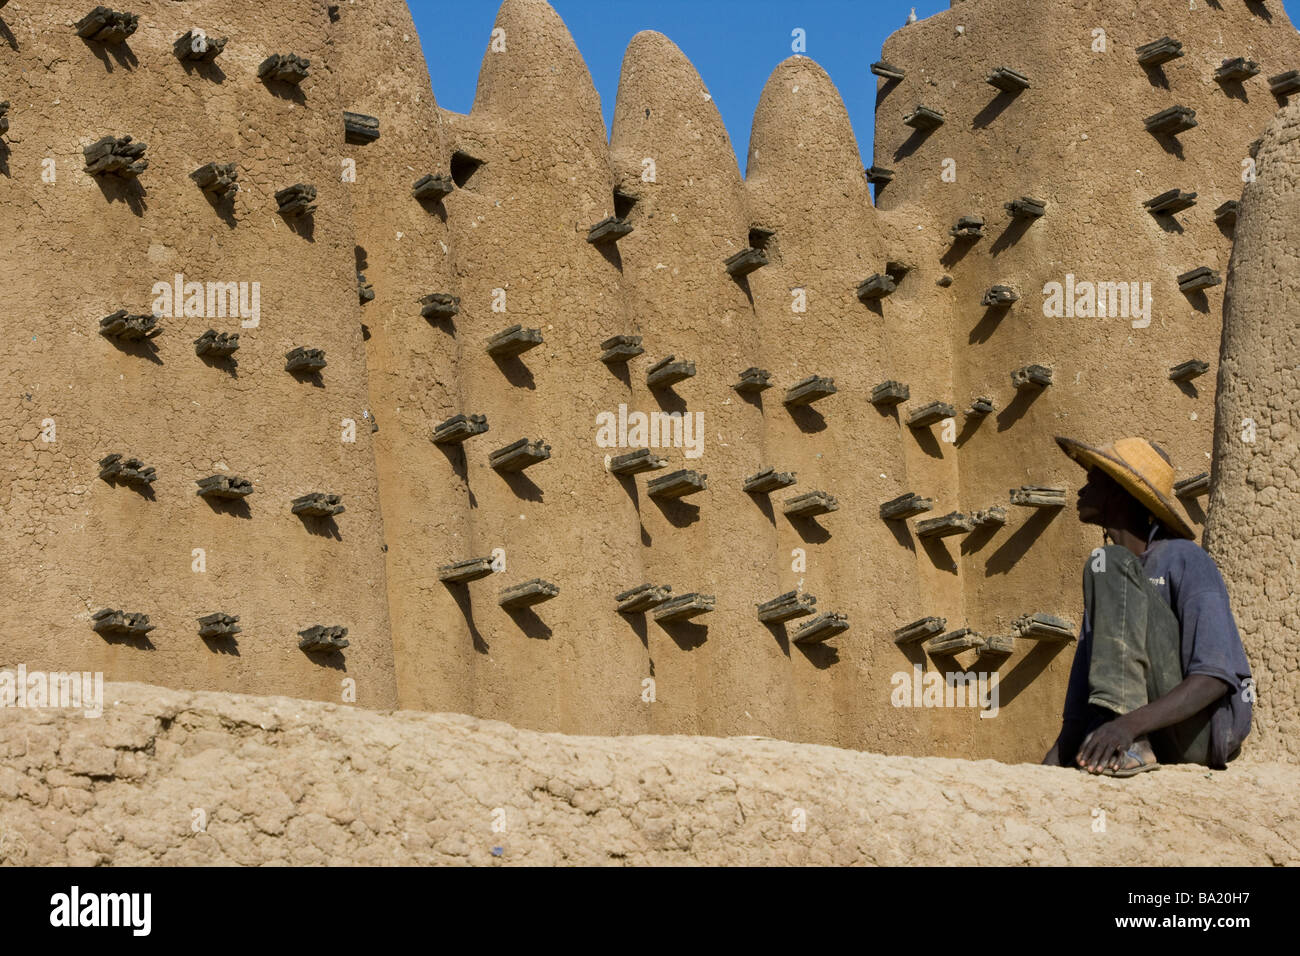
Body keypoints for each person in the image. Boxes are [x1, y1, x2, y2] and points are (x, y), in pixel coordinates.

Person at [1041, 436, 1253, 776]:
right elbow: (1082, 703)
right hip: (1130, 730)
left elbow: (1214, 677)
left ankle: (1136, 746)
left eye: (1091, 482)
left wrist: (1128, 727)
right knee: (1105, 565)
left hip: (1193, 736)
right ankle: (1131, 742)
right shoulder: (1109, 580)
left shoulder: (1185, 559)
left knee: (1107, 561)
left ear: (1119, 492)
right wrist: (1046, 774)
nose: (1080, 492)